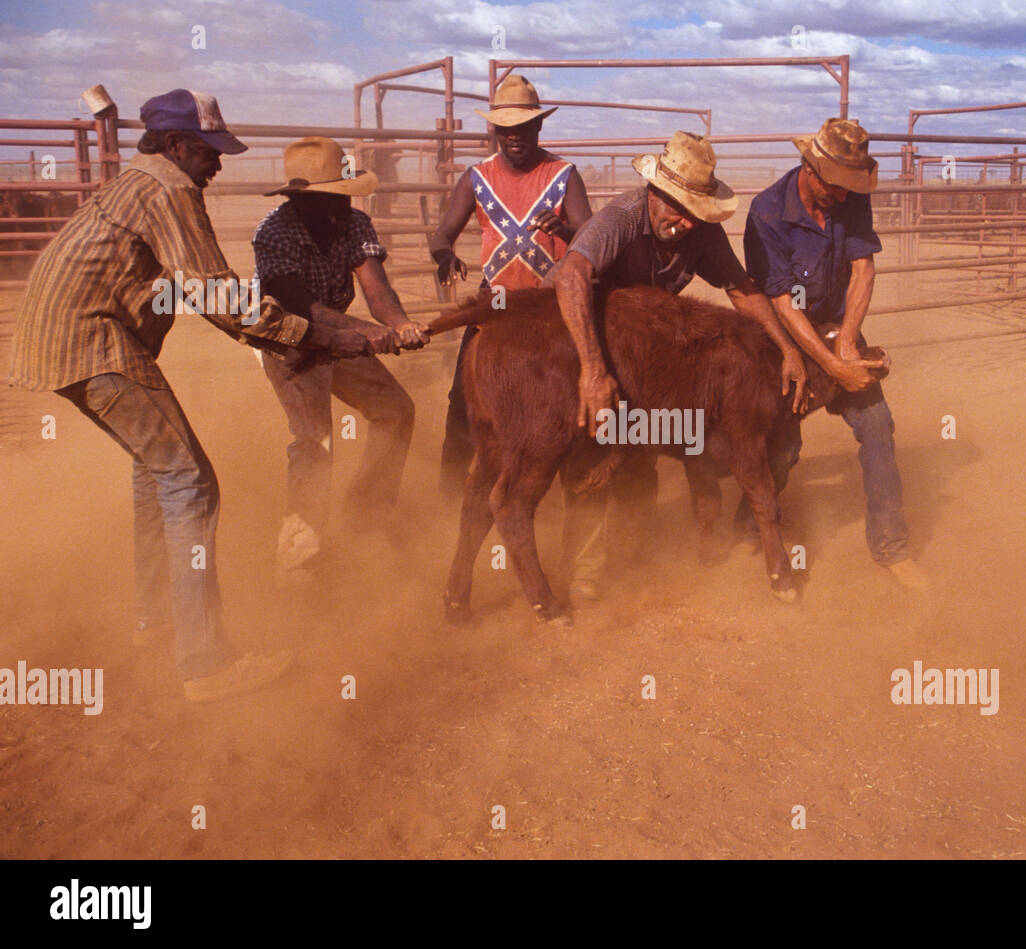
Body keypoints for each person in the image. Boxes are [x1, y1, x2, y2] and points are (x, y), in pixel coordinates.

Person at [7, 90, 366, 702]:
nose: (217, 164)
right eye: (208, 152)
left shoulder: (139, 182)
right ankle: (205, 663)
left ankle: (158, 619)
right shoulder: (169, 188)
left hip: (60, 336)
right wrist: (311, 335)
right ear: (176, 146)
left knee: (157, 473)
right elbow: (216, 295)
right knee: (191, 483)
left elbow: (199, 294)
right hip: (94, 339)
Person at [552, 130, 807, 599]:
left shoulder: (701, 233)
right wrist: (591, 369)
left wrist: (788, 349)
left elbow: (740, 289)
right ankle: (585, 569)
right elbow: (570, 275)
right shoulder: (621, 220)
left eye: (694, 212)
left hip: (649, 360)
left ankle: (629, 555)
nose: (685, 221)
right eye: (676, 206)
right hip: (595, 343)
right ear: (655, 191)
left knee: (637, 455)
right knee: (593, 453)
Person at [744, 117, 928, 589]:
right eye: (836, 186)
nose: (844, 196)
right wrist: (830, 367)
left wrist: (848, 341)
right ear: (809, 166)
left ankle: (891, 547)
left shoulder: (850, 198)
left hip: (834, 327)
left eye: (852, 187)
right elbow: (781, 301)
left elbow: (863, 268)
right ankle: (748, 526)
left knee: (878, 425)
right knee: (782, 443)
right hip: (783, 339)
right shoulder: (766, 211)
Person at [252, 137, 424, 581]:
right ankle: (298, 556)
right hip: (289, 339)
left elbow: (376, 288)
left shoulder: (354, 223)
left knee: (395, 410)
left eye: (345, 196)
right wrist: (368, 330)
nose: (344, 205)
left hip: (341, 336)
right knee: (315, 440)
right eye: (335, 197)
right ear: (304, 199)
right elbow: (297, 306)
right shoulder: (275, 232)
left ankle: (369, 513)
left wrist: (400, 322)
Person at [427, 75, 591, 491]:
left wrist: (566, 230)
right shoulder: (476, 179)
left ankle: (560, 488)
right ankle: (450, 495)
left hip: (549, 308)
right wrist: (444, 254)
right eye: (507, 128)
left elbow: (592, 238)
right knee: (465, 403)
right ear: (496, 131)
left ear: (538, 127)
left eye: (524, 127)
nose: (515, 136)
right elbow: (442, 232)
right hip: (495, 307)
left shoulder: (563, 175)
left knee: (561, 398)